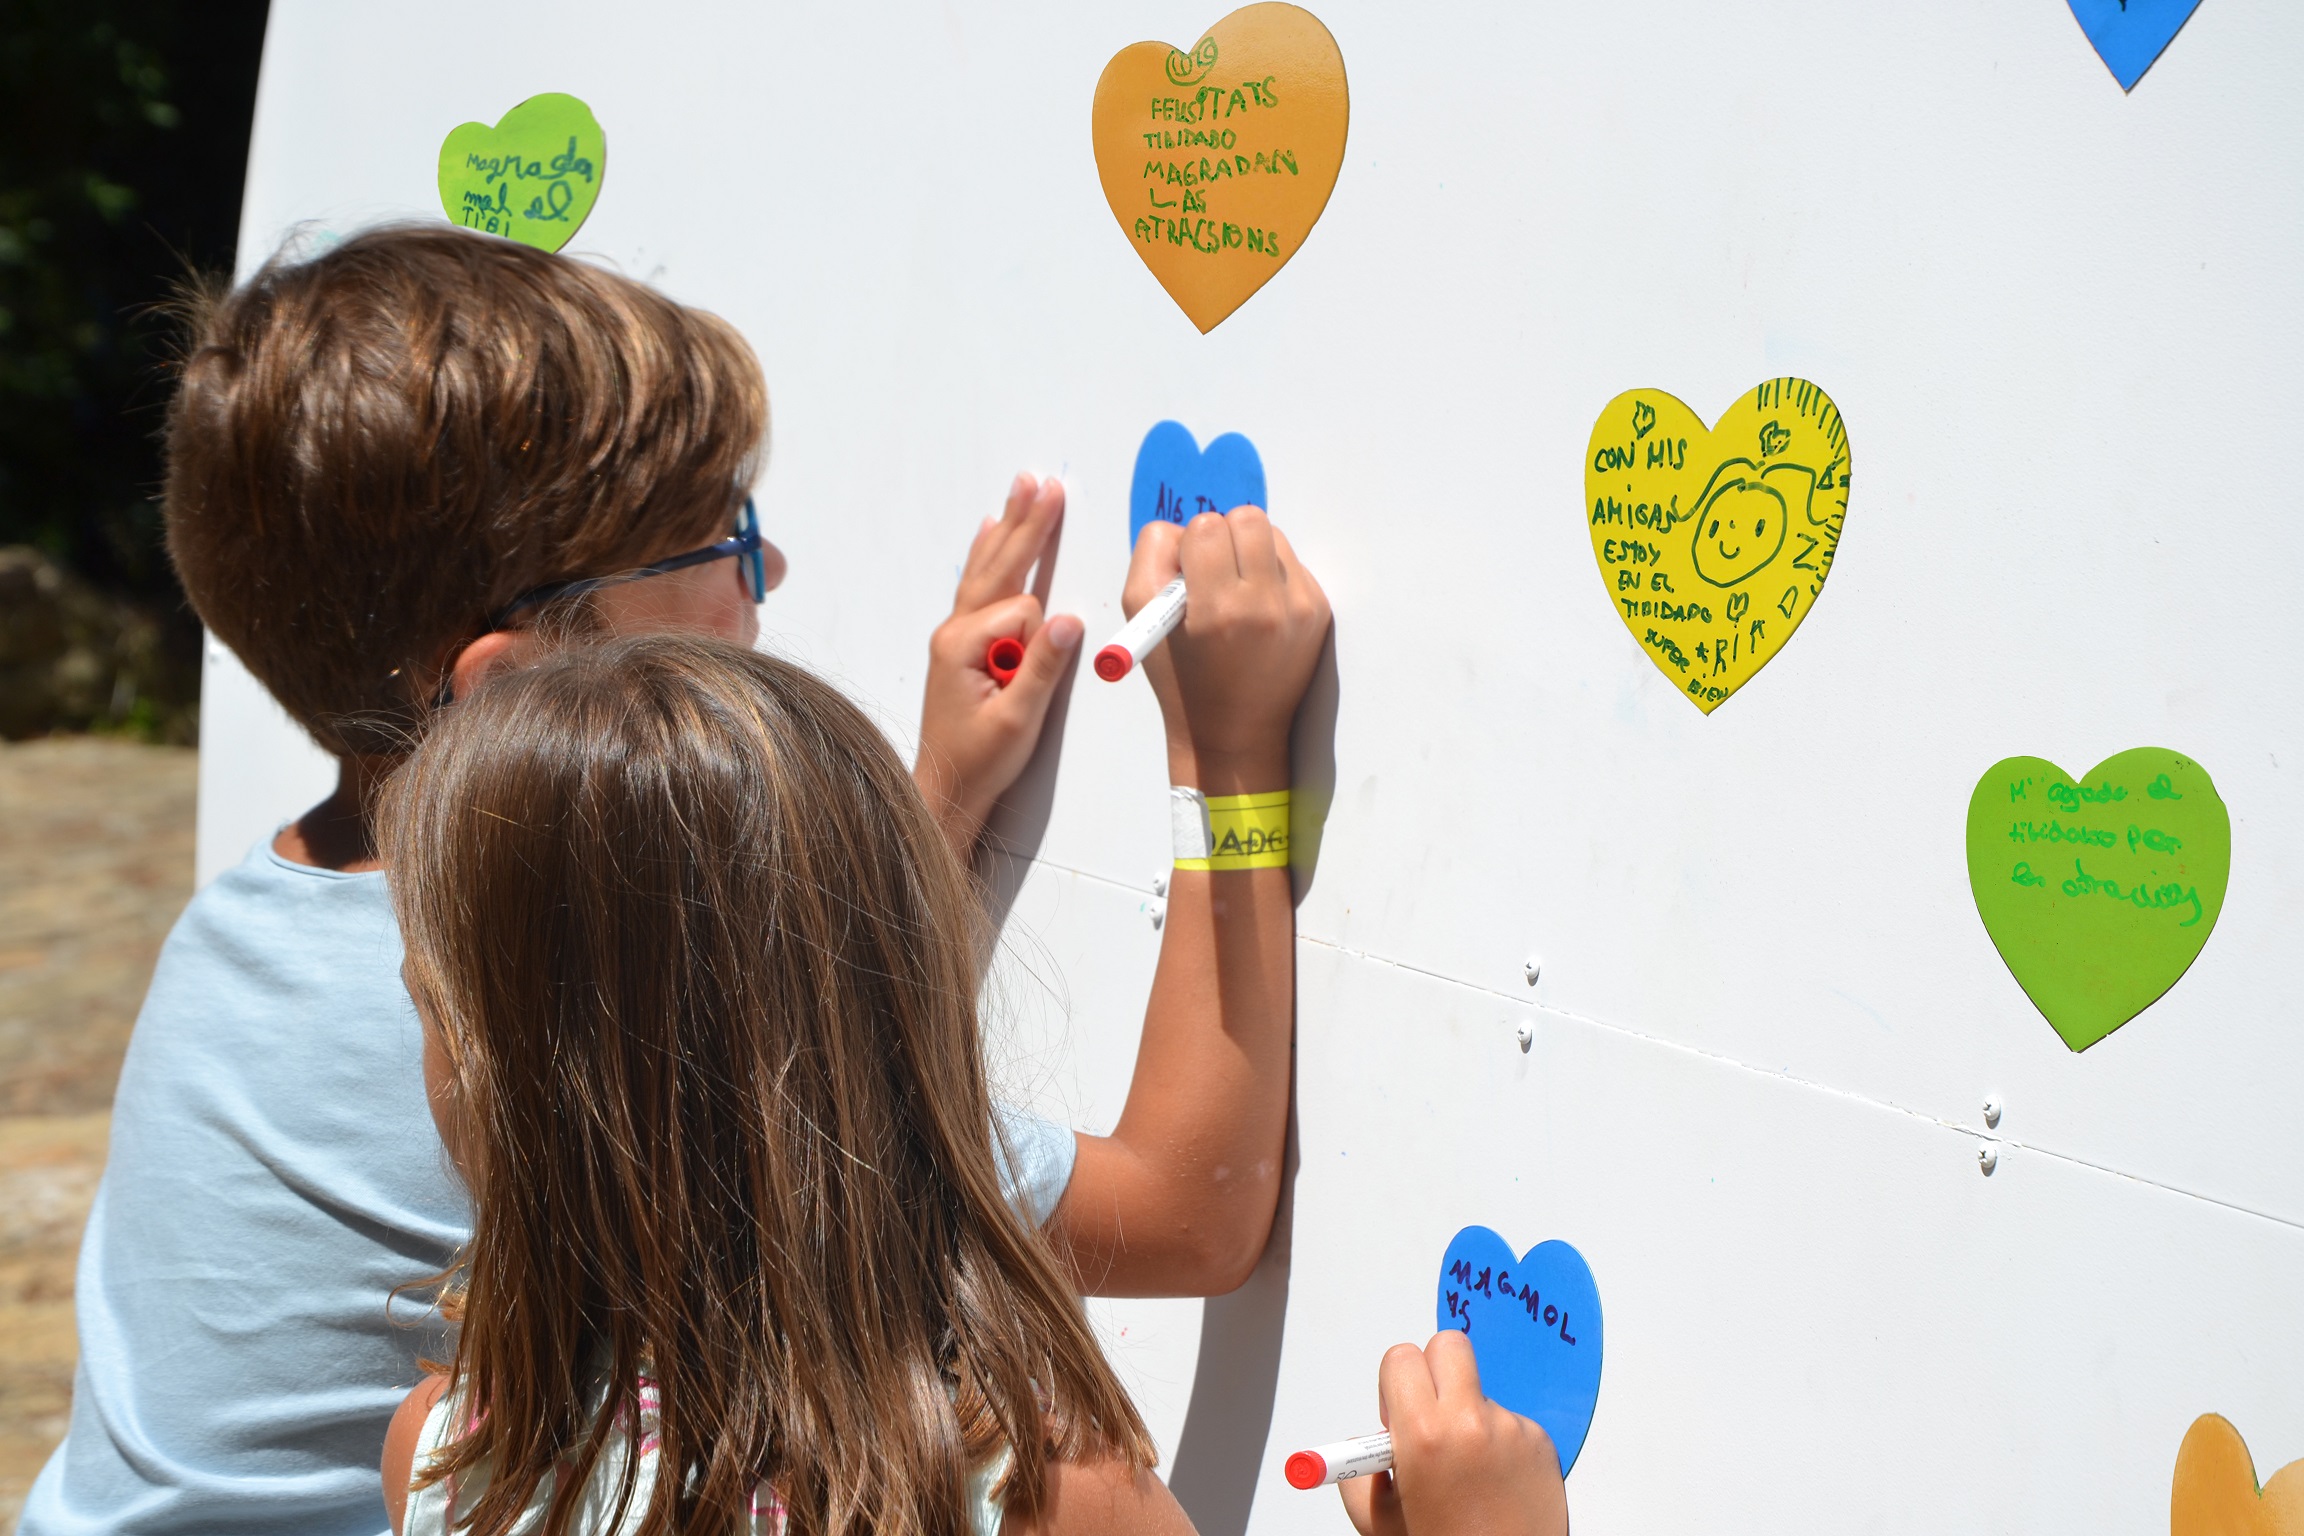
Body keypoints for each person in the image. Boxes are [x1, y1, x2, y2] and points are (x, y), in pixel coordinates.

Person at [23, 224, 1315, 1535]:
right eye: (721, 541)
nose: (772, 574)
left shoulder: (261, 921)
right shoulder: (521, 996)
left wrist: (927, 800)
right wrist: (1228, 762)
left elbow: (714, 950)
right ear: (520, 684)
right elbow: (1186, 1210)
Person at [372, 633, 1561, 1536]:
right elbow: (1202, 1205)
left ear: (497, 1084)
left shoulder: (447, 1463)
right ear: (904, 992)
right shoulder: (1047, 1503)